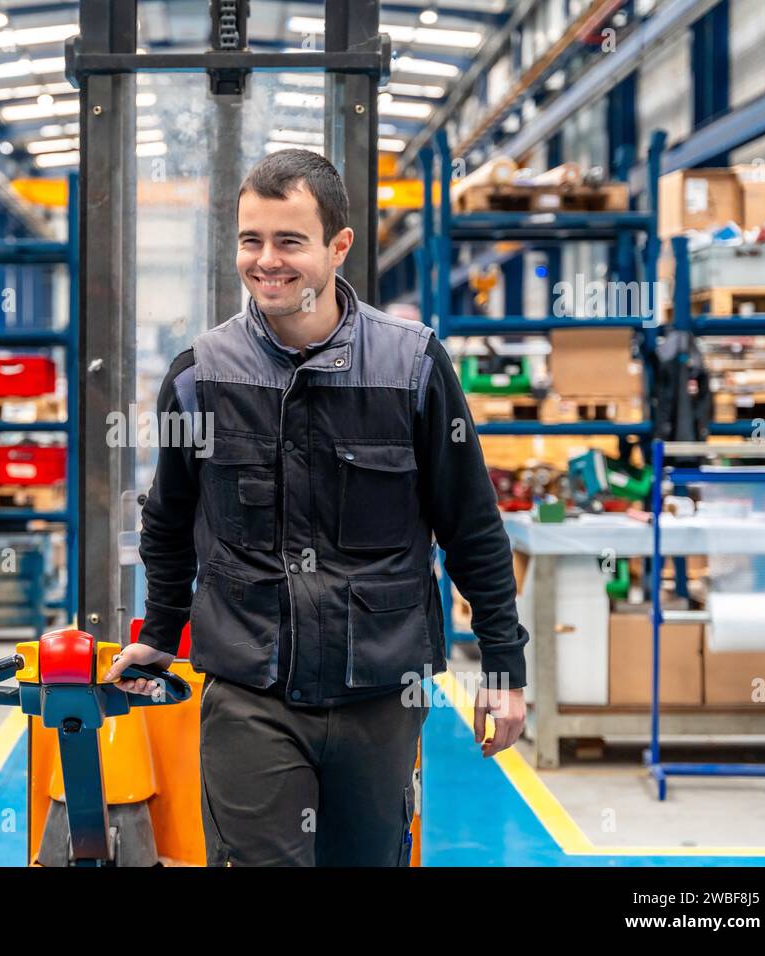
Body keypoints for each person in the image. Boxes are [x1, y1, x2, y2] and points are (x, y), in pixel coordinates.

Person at [103, 148, 528, 866]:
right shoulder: (199, 376)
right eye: (250, 240)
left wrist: (503, 667)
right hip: (251, 694)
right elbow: (168, 520)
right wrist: (163, 628)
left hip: (378, 693)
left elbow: (471, 525)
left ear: (338, 246)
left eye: (288, 242)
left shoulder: (414, 367)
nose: (266, 261)